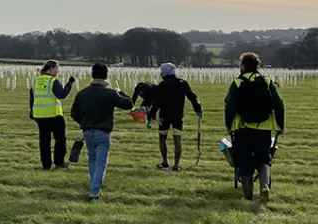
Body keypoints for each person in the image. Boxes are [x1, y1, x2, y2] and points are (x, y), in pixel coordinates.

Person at [224, 53, 285, 203]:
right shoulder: (267, 82)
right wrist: (281, 125)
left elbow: (229, 106)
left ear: (243, 66)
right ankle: (264, 186)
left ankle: (248, 195)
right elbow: (279, 104)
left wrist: (228, 125)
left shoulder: (238, 83)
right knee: (263, 157)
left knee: (243, 158)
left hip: (242, 128)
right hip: (264, 128)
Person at [70, 63, 133, 200]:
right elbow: (129, 104)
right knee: (101, 163)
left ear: (92, 74)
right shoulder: (109, 93)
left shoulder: (82, 93)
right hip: (103, 132)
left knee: (92, 160)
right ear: (106, 75)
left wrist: (84, 123)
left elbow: (73, 113)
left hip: (87, 131)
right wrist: (120, 92)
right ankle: (94, 193)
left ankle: (94, 186)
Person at [148, 63, 203, 172]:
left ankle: (165, 162)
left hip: (165, 115)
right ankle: (176, 165)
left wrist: (150, 115)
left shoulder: (162, 85)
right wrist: (198, 109)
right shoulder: (182, 83)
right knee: (177, 139)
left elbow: (157, 102)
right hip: (178, 115)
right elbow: (192, 97)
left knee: (162, 138)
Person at [29, 60, 76, 170]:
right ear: (50, 69)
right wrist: (69, 83)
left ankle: (46, 165)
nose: (58, 71)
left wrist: (32, 112)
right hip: (54, 115)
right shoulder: (53, 81)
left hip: (40, 115)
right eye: (56, 68)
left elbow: (32, 99)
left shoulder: (35, 81)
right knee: (60, 140)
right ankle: (59, 163)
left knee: (44, 142)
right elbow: (62, 95)